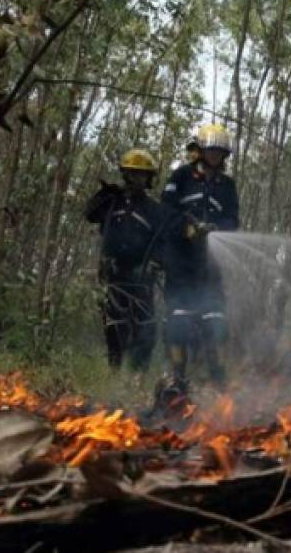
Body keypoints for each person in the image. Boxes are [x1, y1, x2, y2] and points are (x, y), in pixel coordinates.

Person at [160, 124, 241, 391]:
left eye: (220, 152)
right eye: (211, 150)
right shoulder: (181, 176)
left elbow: (232, 219)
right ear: (201, 151)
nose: (215, 156)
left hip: (210, 266)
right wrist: (185, 229)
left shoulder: (227, 186)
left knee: (215, 320)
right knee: (178, 320)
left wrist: (217, 229)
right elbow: (166, 211)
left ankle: (216, 375)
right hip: (181, 264)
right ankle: (176, 377)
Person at [84, 149, 175, 375]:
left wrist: (157, 262)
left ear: (149, 178)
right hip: (113, 274)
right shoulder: (112, 201)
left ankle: (137, 376)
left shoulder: (155, 210)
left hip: (141, 277)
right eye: (132, 174)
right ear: (125, 174)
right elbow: (89, 214)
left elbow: (164, 243)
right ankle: (115, 373)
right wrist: (104, 195)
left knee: (146, 330)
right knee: (114, 327)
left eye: (142, 175)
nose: (137, 179)